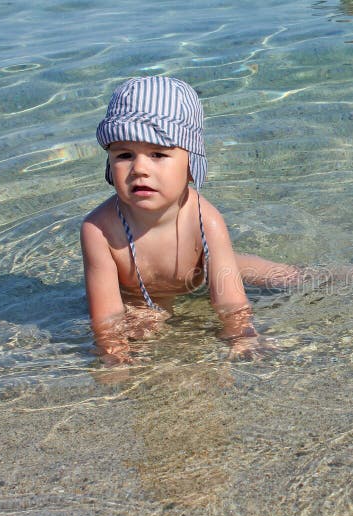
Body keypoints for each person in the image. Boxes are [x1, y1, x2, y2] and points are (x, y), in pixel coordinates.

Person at [81, 76, 303, 364]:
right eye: (124, 155)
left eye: (158, 154)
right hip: (140, 296)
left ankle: (328, 275)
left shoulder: (204, 218)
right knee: (141, 329)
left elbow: (230, 299)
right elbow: (106, 315)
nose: (139, 168)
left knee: (282, 277)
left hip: (201, 274)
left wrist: (242, 335)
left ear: (191, 164)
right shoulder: (99, 230)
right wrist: (114, 354)